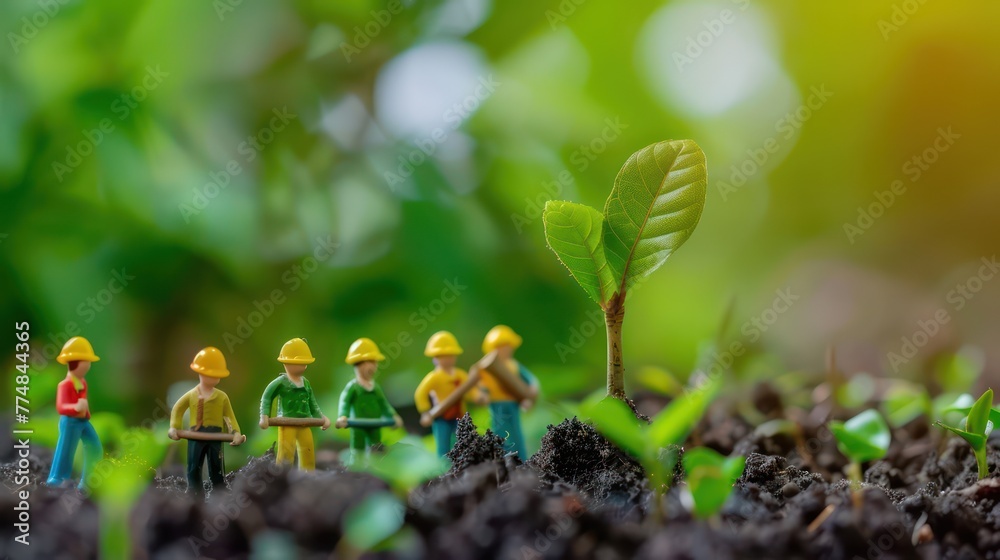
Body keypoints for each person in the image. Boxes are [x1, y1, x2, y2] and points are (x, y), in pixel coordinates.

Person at [169, 347, 244, 495]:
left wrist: (235, 432)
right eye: (208, 374)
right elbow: (178, 409)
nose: (212, 378)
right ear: (200, 373)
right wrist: (174, 427)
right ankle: (194, 494)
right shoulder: (191, 395)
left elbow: (229, 417)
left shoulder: (222, 397)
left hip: (216, 435)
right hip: (195, 435)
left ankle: (219, 492)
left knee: (216, 466)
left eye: (216, 375)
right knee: (193, 466)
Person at [259, 338, 330, 470]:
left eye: (305, 364)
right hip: (287, 424)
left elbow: (312, 403)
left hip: (305, 423)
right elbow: (267, 397)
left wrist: (321, 418)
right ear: (286, 363)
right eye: (298, 363)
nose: (303, 367)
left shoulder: (306, 383)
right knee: (286, 455)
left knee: (307, 451)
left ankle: (308, 477)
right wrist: (264, 416)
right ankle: (282, 477)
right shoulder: (281, 382)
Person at [414, 331, 487, 456]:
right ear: (435, 358)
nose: (447, 359)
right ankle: (443, 470)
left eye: (450, 355)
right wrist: (425, 412)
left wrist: (477, 396)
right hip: (442, 416)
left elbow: (470, 389)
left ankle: (467, 463)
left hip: (460, 415)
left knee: (465, 440)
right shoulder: (434, 377)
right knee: (443, 444)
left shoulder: (460, 374)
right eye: (442, 356)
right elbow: (420, 394)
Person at [47, 337, 104, 490]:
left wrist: (85, 412)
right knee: (66, 451)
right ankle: (57, 479)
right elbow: (61, 407)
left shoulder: (83, 383)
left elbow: (83, 402)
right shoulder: (65, 385)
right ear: (75, 362)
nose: (88, 365)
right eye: (86, 362)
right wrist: (75, 407)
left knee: (94, 445)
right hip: (70, 422)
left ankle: (88, 482)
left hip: (83, 421)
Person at [336, 338, 402, 465]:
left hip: (375, 424)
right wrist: (343, 416)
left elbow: (384, 404)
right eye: (369, 362)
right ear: (358, 364)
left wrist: (393, 415)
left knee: (376, 447)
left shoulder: (375, 387)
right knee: (358, 450)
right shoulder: (353, 387)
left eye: (375, 362)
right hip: (358, 425)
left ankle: (376, 469)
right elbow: (345, 401)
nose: (373, 366)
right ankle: (356, 471)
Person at [479, 325, 539, 460]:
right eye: (500, 347)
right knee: (500, 433)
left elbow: (530, 381)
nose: (505, 350)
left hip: (513, 404)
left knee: (516, 432)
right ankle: (504, 461)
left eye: (507, 346)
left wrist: (530, 395)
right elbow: (482, 386)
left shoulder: (514, 365)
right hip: (496, 405)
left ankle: (522, 459)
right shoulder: (488, 368)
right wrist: (482, 395)